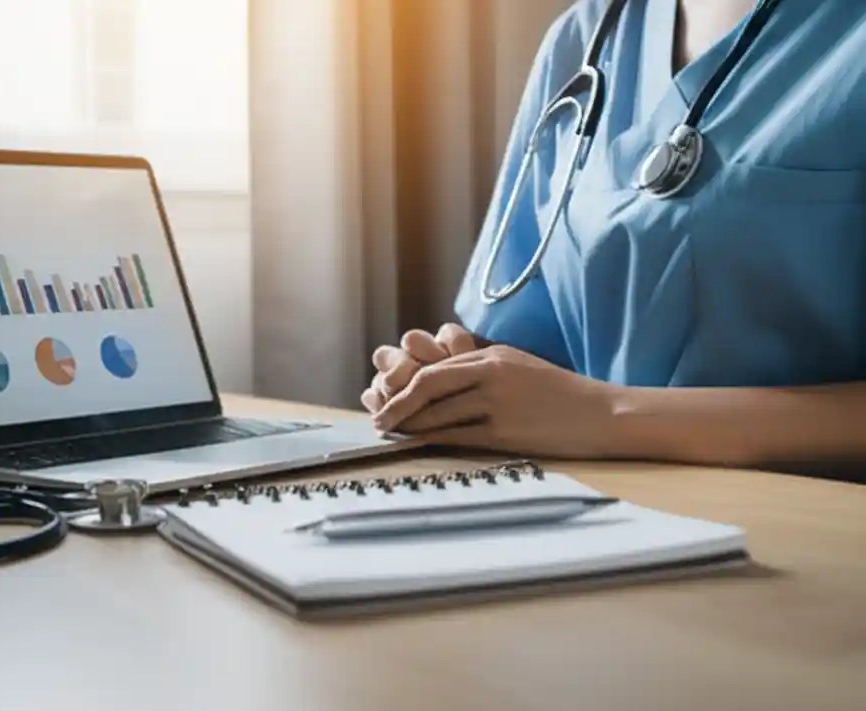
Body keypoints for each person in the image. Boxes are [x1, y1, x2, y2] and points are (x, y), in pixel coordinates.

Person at [362, 0, 866, 479]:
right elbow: (535, 346)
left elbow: (581, 407)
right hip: (594, 519)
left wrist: (610, 416)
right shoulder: (588, 35)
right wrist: (452, 383)